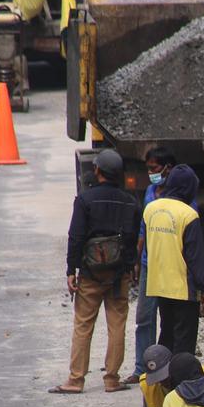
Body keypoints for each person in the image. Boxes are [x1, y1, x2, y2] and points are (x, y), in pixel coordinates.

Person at [50, 149, 141, 394]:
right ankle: (112, 379)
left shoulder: (85, 200)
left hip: (90, 274)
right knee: (117, 324)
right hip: (118, 275)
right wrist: (131, 267)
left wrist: (71, 269)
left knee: (83, 325)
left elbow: (76, 236)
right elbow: (132, 238)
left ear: (98, 171)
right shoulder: (130, 202)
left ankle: (76, 380)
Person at [126, 147, 193, 384]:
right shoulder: (150, 192)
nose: (151, 173)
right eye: (148, 169)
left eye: (154, 169)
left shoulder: (186, 198)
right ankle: (141, 369)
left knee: (170, 320)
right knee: (145, 317)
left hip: (173, 266)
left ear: (168, 168)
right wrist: (138, 257)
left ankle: (169, 367)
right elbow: (143, 228)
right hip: (149, 264)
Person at [143, 164, 204, 355]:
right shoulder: (188, 215)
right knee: (184, 342)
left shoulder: (150, 210)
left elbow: (150, 246)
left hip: (159, 286)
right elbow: (195, 257)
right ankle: (180, 382)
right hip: (182, 288)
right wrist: (203, 287)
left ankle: (163, 380)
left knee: (167, 335)